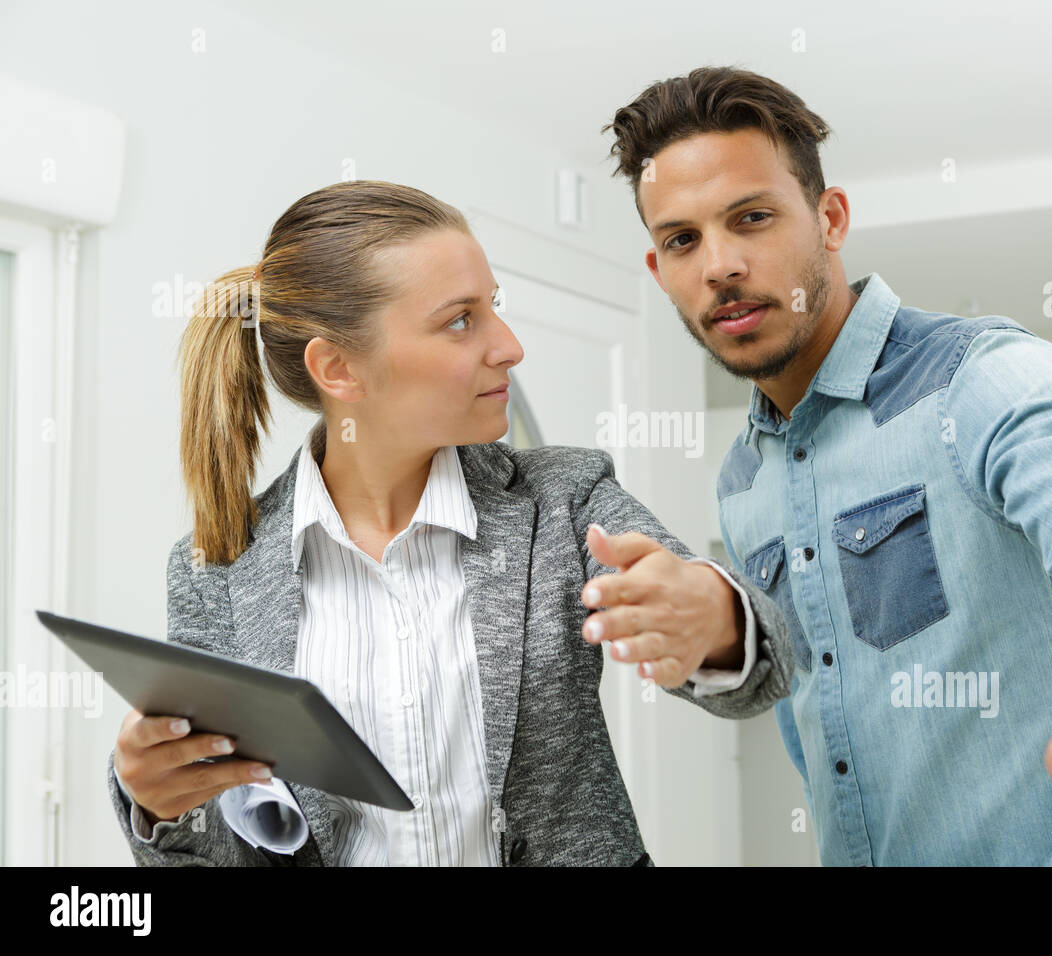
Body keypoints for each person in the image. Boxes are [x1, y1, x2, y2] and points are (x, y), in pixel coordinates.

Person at [598, 65, 1052, 866]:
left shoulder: (976, 377)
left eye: (752, 218)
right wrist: (717, 635)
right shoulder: (744, 480)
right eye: (683, 240)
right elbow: (794, 678)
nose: (720, 265)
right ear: (658, 269)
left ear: (830, 218)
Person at [108, 180, 794, 867]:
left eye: (492, 307)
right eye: (461, 320)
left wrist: (713, 616)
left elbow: (765, 666)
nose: (510, 347)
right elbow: (219, 846)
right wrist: (157, 803)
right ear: (338, 368)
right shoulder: (218, 570)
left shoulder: (566, 498)